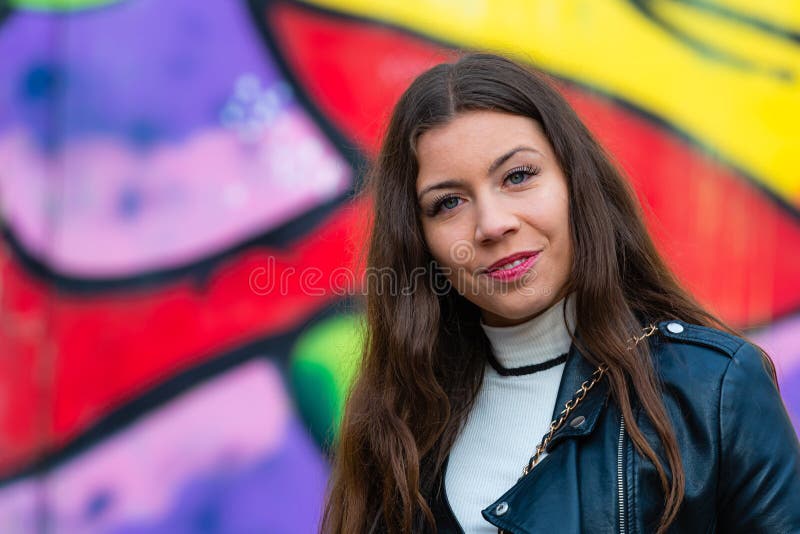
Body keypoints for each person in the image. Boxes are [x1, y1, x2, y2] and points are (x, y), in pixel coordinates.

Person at [320, 53, 800, 533]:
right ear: (419, 240)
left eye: (518, 176)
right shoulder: (394, 425)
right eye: (448, 203)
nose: (491, 224)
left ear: (576, 181)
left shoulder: (713, 390)